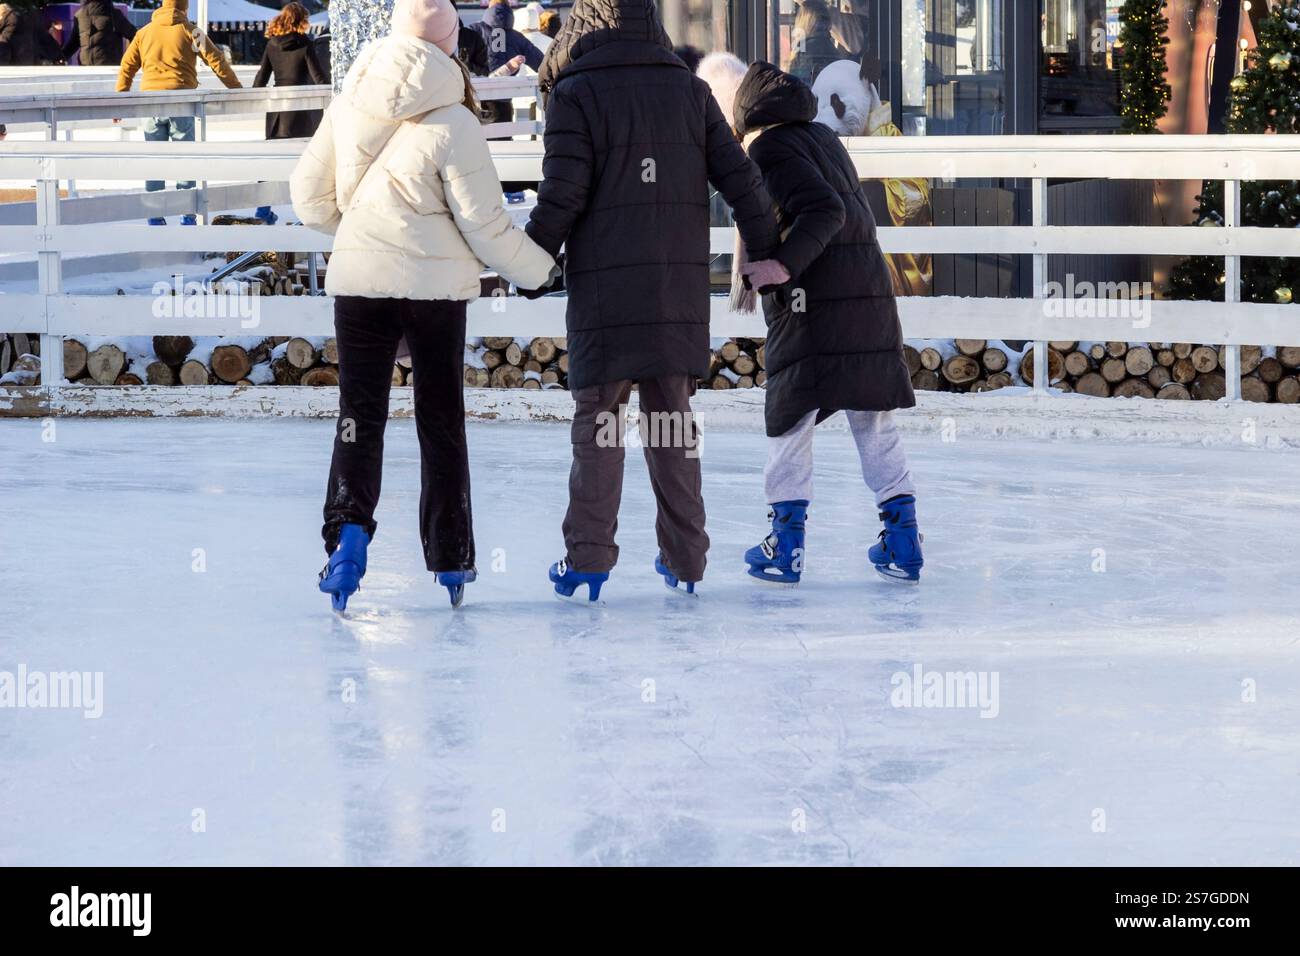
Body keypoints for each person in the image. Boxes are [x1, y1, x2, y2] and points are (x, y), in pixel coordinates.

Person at [290, 0, 556, 612]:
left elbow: (307, 197)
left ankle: (348, 537)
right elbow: (485, 226)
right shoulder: (455, 121)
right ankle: (452, 557)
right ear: (448, 46)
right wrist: (539, 272)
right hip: (433, 295)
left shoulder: (351, 98)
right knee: (440, 418)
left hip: (359, 283)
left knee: (360, 413)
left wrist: (360, 230)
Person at [523, 0, 779, 601]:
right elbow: (744, 183)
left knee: (600, 429)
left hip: (605, 294)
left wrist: (527, 267)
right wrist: (765, 253)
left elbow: (561, 196)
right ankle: (686, 560)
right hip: (675, 288)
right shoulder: (687, 92)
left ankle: (588, 560)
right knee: (672, 427)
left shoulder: (575, 94)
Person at [724, 61, 923, 584]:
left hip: (811, 304)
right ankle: (903, 540)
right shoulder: (824, 139)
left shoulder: (766, 150)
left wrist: (780, 265)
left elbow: (824, 211)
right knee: (872, 418)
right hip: (867, 295)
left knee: (791, 417)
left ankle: (785, 545)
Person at [117, 0, 242, 225]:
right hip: (182, 100)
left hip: (150, 103)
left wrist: (121, 97)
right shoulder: (191, 31)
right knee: (185, 158)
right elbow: (216, 60)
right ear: (184, 8)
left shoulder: (144, 33)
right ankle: (187, 215)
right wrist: (236, 89)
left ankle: (154, 215)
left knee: (155, 158)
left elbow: (127, 66)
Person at [472, 0, 544, 128]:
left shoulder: (474, 31)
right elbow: (541, 64)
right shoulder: (517, 37)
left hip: (477, 99)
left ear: (489, 8)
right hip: (504, 102)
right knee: (505, 144)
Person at [62, 0, 137, 66]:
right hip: (109, 68)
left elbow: (73, 44)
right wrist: (130, 58)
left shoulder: (80, 15)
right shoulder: (114, 15)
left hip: (85, 67)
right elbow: (136, 36)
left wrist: (60, 58)